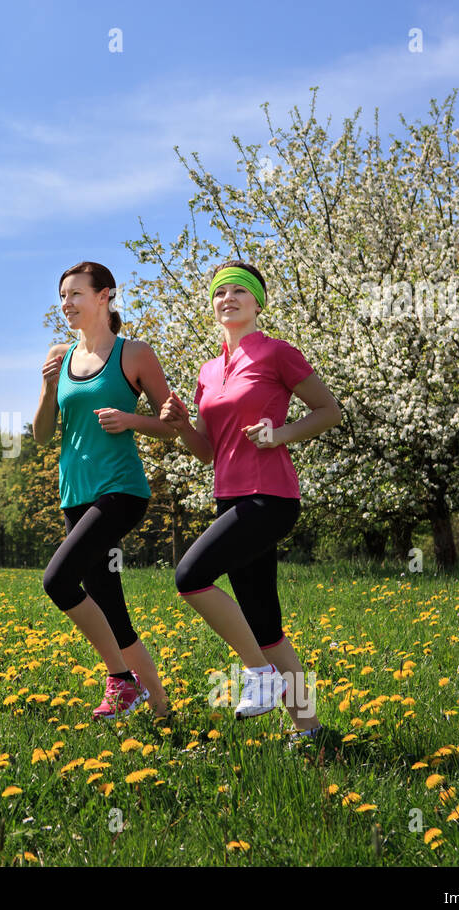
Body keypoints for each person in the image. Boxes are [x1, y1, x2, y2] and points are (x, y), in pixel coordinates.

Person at [160, 260, 342, 743]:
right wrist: (180, 425)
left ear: (258, 302)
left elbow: (329, 411)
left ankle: (258, 674)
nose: (228, 299)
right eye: (220, 293)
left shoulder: (277, 354)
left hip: (271, 497)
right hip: (230, 498)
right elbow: (206, 451)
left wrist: (279, 434)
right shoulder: (208, 370)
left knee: (190, 576)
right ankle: (311, 731)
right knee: (265, 622)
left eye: (239, 291)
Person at [34, 261, 179, 721]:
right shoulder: (60, 354)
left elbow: (172, 425)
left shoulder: (134, 354)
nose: (66, 304)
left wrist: (131, 420)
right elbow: (42, 434)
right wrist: (47, 386)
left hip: (121, 490)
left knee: (57, 580)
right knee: (110, 605)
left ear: (105, 296)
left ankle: (119, 680)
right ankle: (161, 709)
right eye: (62, 296)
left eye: (76, 294)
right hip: (74, 493)